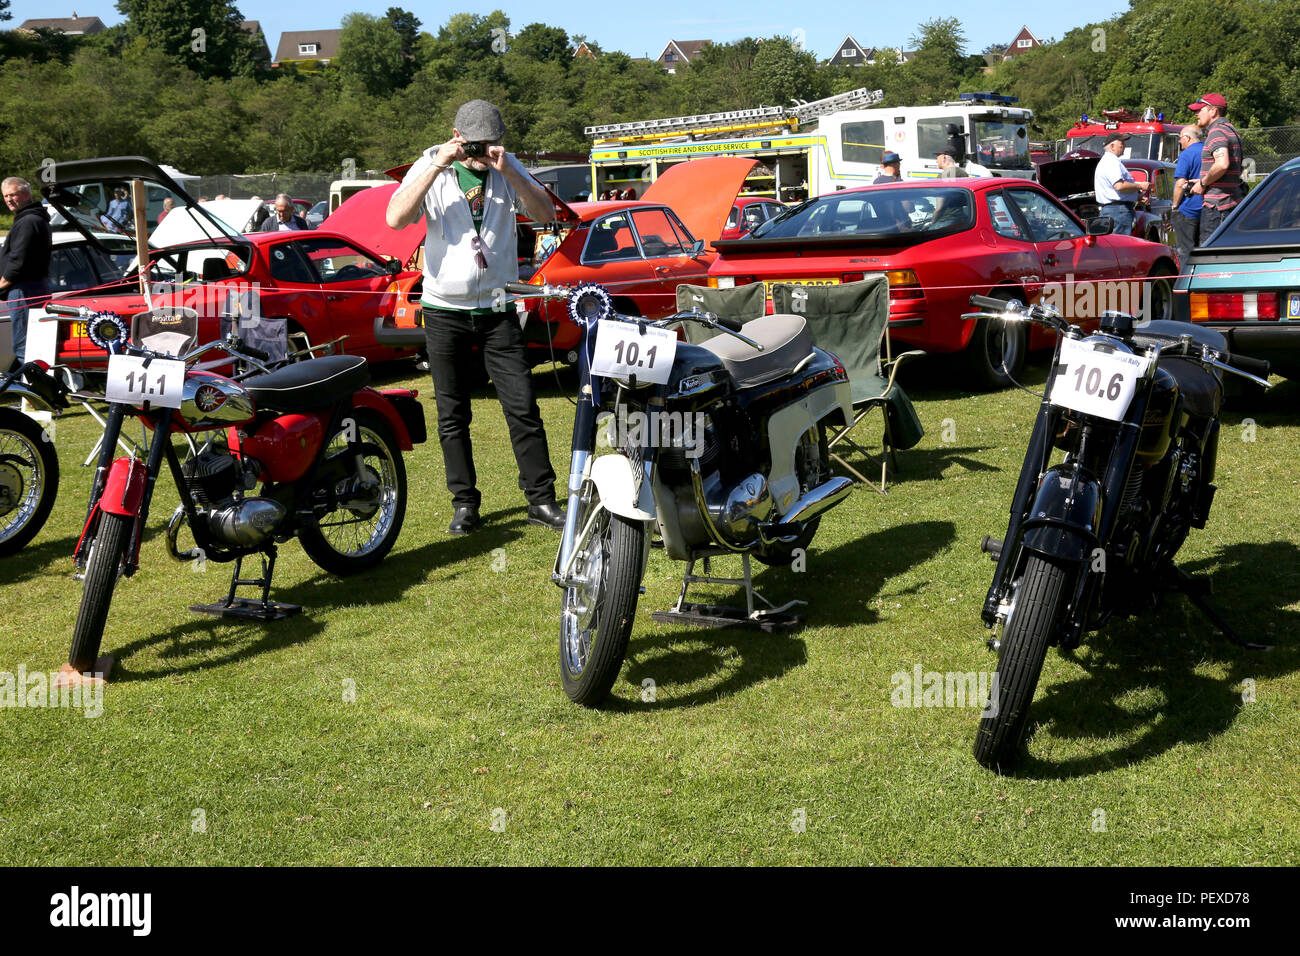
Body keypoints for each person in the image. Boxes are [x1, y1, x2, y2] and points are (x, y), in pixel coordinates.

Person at [385, 99, 564, 536]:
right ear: (456, 136)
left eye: (491, 144)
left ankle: (541, 501)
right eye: (473, 145)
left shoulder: (508, 166)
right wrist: (437, 164)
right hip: (445, 308)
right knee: (452, 414)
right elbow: (395, 219)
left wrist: (511, 171)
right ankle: (464, 504)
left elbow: (546, 215)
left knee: (522, 408)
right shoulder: (432, 163)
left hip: (499, 308)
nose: (480, 153)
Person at [0, 177, 52, 369]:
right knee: (32, 346)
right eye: (6, 196)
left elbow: (17, 262)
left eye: (13, 194)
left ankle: (34, 393)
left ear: (26, 194)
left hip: (24, 290)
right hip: (32, 288)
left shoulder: (29, 221)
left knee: (24, 346)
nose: (9, 199)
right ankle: (34, 393)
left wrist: (2, 284)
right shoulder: (31, 218)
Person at [1187, 93, 1244, 242]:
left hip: (1217, 208)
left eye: (1200, 110)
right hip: (1231, 203)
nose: (1196, 114)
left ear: (1213, 111)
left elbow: (1222, 164)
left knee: (1211, 258)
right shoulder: (1231, 130)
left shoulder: (1216, 131)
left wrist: (1203, 183)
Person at [1093, 132, 1150, 237]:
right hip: (1118, 212)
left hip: (1114, 210)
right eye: (1122, 143)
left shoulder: (1109, 161)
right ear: (1112, 146)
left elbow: (1115, 189)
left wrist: (1136, 197)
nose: (1124, 145)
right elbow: (1119, 186)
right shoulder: (1111, 162)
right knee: (1120, 246)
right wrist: (1141, 186)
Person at [1171, 124, 1205, 266]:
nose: (1179, 142)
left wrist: (1175, 205)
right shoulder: (1209, 150)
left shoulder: (1186, 154)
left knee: (1185, 251)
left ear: (1187, 138)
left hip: (1188, 210)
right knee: (1203, 249)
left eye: (1180, 138)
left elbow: (1180, 183)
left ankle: (1186, 284)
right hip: (1207, 208)